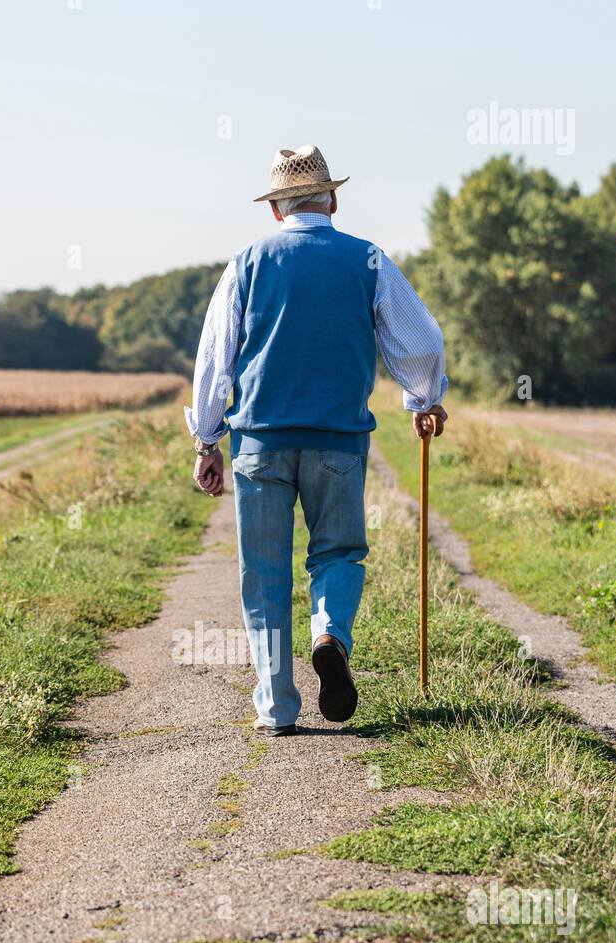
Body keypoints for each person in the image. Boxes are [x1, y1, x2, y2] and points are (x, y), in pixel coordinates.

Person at [186, 144, 448, 735]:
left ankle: (277, 706)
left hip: (259, 441)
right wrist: (423, 398)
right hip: (338, 439)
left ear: (277, 208)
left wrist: (207, 440)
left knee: (265, 571)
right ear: (333, 198)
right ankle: (329, 633)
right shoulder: (368, 260)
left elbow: (214, 359)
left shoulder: (246, 263)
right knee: (337, 552)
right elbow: (422, 342)